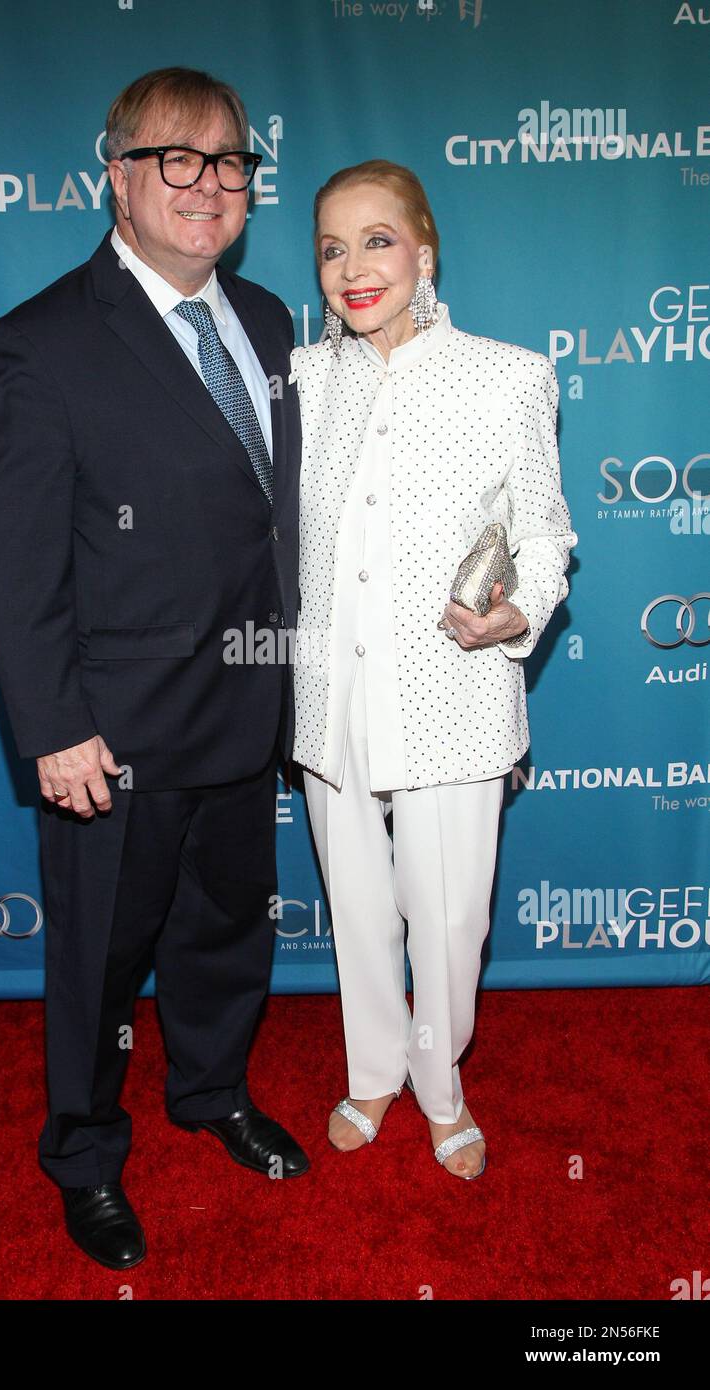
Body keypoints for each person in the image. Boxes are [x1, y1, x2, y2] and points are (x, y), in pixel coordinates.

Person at [0, 66, 307, 1271]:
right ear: (115, 171)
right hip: (110, 732)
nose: (206, 185)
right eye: (177, 158)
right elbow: (10, 563)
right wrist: (54, 725)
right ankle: (85, 1155)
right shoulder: (42, 340)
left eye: (228, 162)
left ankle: (211, 1093)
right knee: (100, 959)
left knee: (226, 935)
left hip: (248, 705)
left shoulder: (267, 320)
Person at [289, 160, 577, 1179]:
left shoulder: (506, 373)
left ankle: (438, 1083)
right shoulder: (303, 378)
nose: (352, 266)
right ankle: (371, 1069)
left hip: (452, 691)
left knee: (449, 915)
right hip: (329, 694)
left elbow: (541, 538)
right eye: (330, 247)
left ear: (423, 249)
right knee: (356, 900)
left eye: (375, 240)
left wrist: (514, 611)